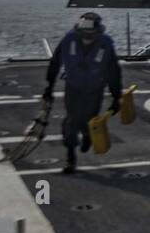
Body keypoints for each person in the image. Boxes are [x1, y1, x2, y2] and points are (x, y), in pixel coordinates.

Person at [44, 12, 122, 173]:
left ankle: (87, 135)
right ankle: (70, 156)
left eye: (92, 34)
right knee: (72, 120)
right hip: (73, 87)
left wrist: (116, 96)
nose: (88, 38)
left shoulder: (106, 44)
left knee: (89, 118)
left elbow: (113, 70)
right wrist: (49, 88)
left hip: (95, 88)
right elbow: (55, 63)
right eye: (85, 34)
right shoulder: (68, 40)